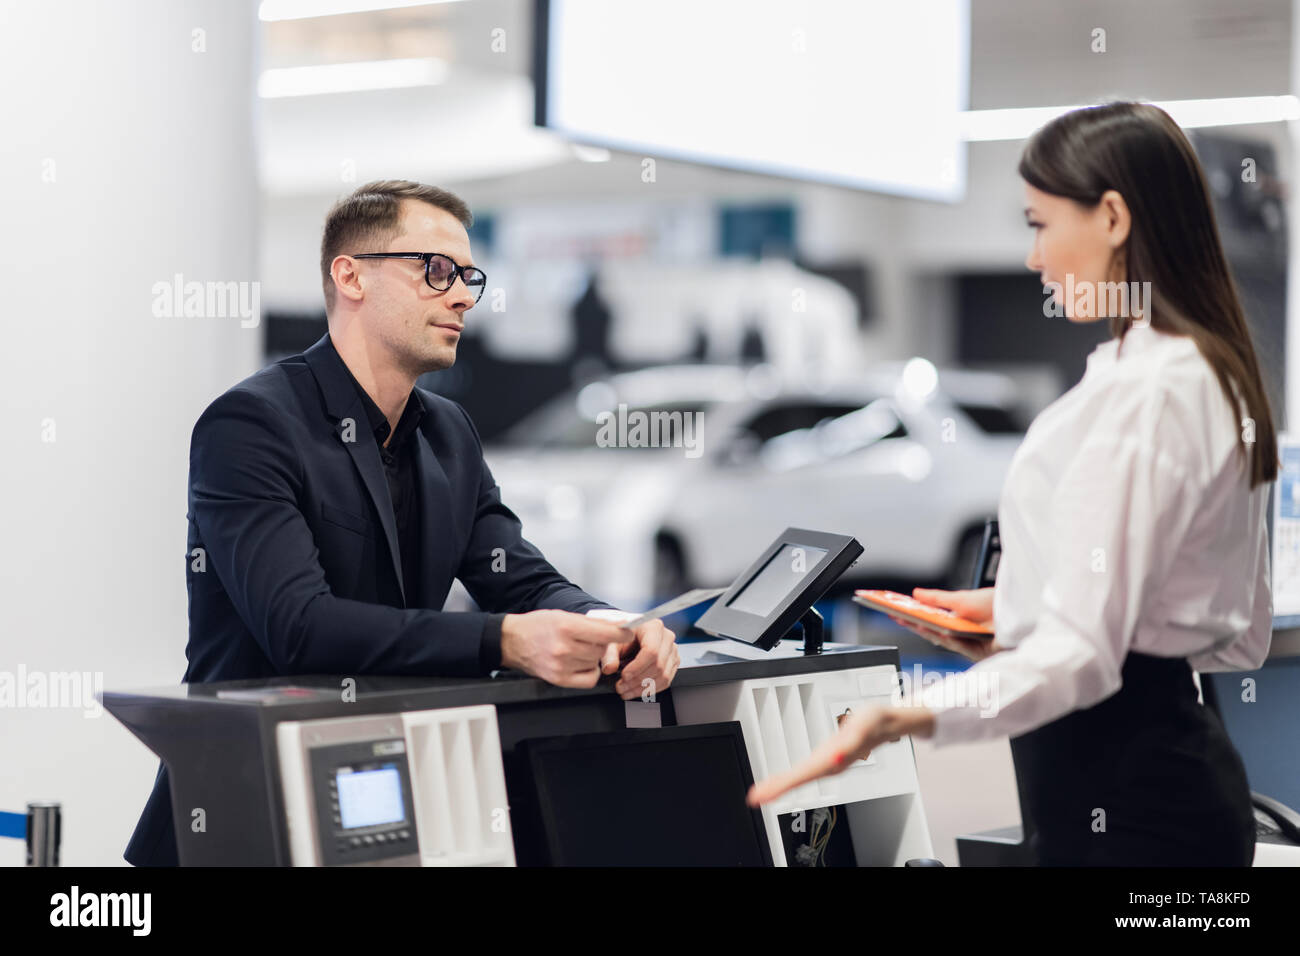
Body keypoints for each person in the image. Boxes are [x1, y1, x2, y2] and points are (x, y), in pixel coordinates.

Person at [749, 102, 1276, 867]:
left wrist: (901, 718)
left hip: (1127, 809)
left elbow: (1084, 659)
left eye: (1038, 223)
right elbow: (1237, 632)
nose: (1034, 258)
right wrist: (1024, 609)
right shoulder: (1210, 374)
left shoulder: (1144, 393)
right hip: (1170, 793)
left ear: (1114, 218)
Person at [126, 180, 678, 866]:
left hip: (387, 800)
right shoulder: (252, 425)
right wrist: (504, 642)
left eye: (468, 276)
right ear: (350, 274)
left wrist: (615, 627)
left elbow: (519, 576)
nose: (462, 296)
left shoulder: (448, 434)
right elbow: (300, 626)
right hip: (240, 812)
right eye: (434, 270)